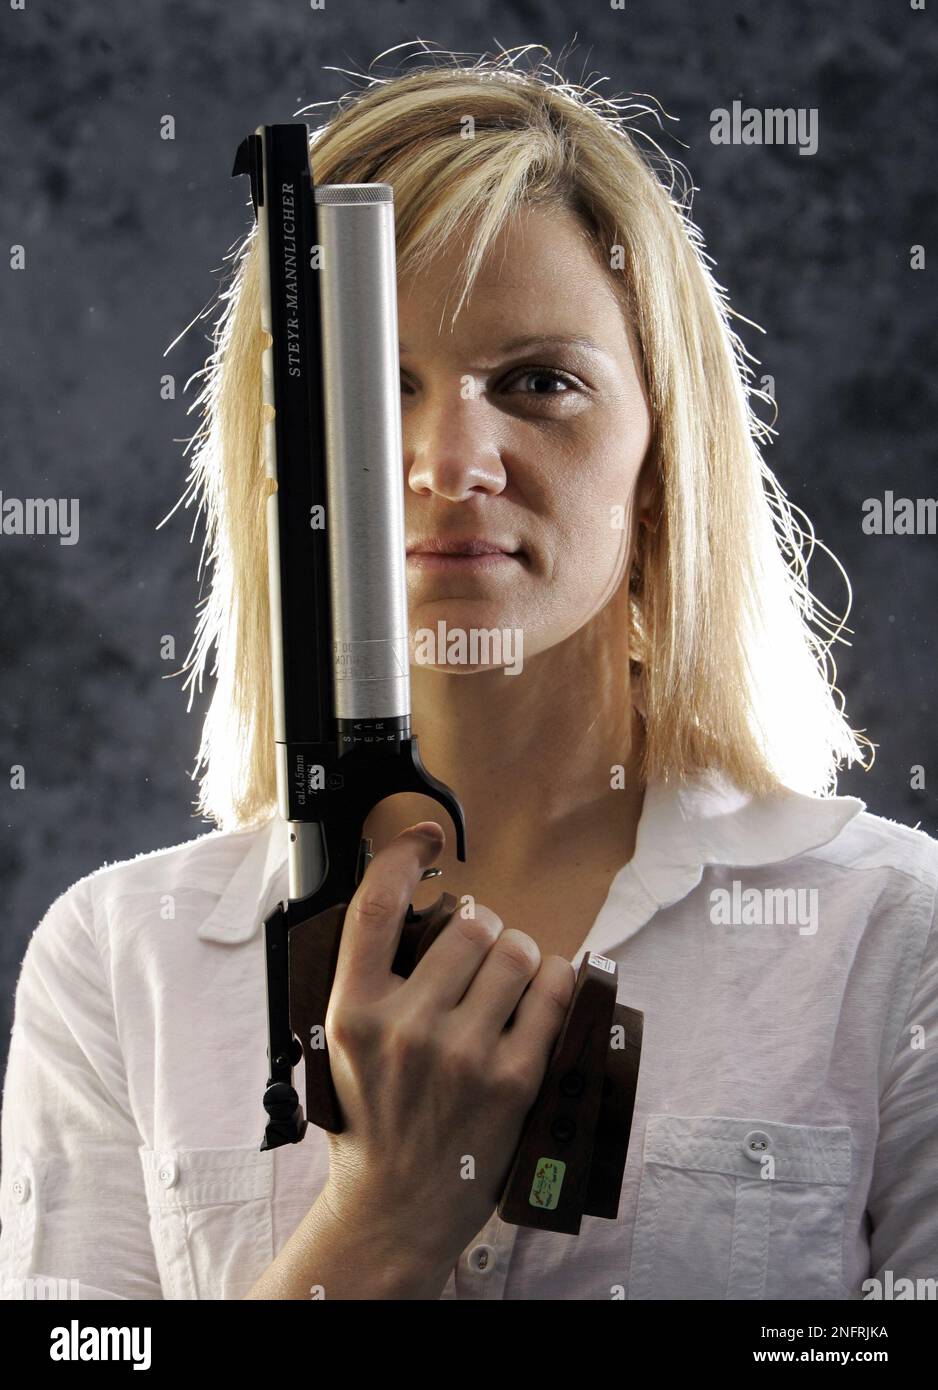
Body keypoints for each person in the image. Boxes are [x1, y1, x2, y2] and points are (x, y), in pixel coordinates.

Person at [1, 47, 936, 1302]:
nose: (447, 461)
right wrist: (382, 1219)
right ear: (284, 461)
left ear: (661, 455)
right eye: (373, 391)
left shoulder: (892, 936)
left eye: (537, 382)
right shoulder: (121, 964)